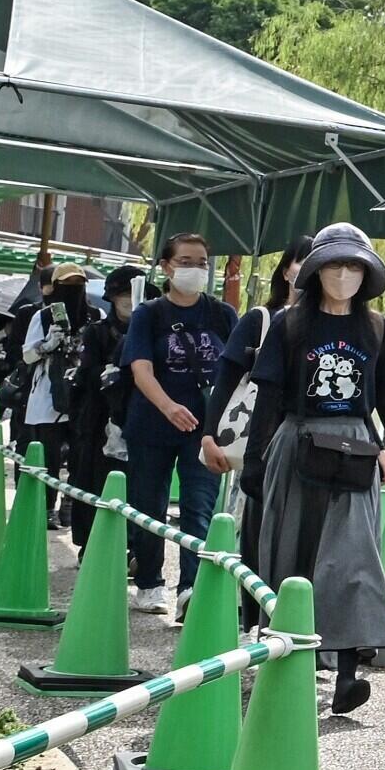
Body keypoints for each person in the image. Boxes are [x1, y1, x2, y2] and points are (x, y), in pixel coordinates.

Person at [242, 225, 385, 717]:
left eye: (355, 266)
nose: (344, 275)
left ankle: (347, 673)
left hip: (355, 449)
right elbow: (269, 396)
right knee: (293, 552)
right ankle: (287, 654)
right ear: (316, 271)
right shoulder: (291, 325)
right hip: (296, 444)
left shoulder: (377, 329)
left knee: (353, 557)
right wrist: (255, 459)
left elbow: (384, 401)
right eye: (335, 265)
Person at [120, 233, 238, 617]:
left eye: (202, 262)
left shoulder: (222, 314)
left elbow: (237, 370)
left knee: (199, 505)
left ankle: (191, 587)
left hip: (205, 429)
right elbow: (140, 368)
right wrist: (168, 406)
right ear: (167, 267)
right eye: (186, 261)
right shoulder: (149, 314)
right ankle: (150, 581)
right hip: (152, 423)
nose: (195, 269)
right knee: (148, 503)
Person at [202, 236, 312, 599]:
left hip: (308, 447)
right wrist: (208, 434)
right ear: (285, 270)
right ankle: (237, 600)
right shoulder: (261, 320)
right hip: (258, 443)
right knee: (248, 520)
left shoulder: (336, 325)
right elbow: (226, 379)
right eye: (301, 261)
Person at [65, 265, 144, 553]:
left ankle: (133, 545)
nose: (128, 300)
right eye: (123, 294)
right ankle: (91, 543)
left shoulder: (148, 329)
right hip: (99, 420)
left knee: (139, 486)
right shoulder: (97, 332)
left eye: (133, 294)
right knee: (94, 480)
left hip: (139, 416)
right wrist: (111, 372)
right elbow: (85, 374)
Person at [13, 264, 92, 527]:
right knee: (50, 455)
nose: (73, 291)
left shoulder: (94, 315)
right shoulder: (43, 317)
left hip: (84, 394)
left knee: (80, 455)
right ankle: (46, 506)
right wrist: (47, 345)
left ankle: (70, 504)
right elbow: (27, 355)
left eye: (78, 285)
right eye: (67, 285)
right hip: (49, 394)